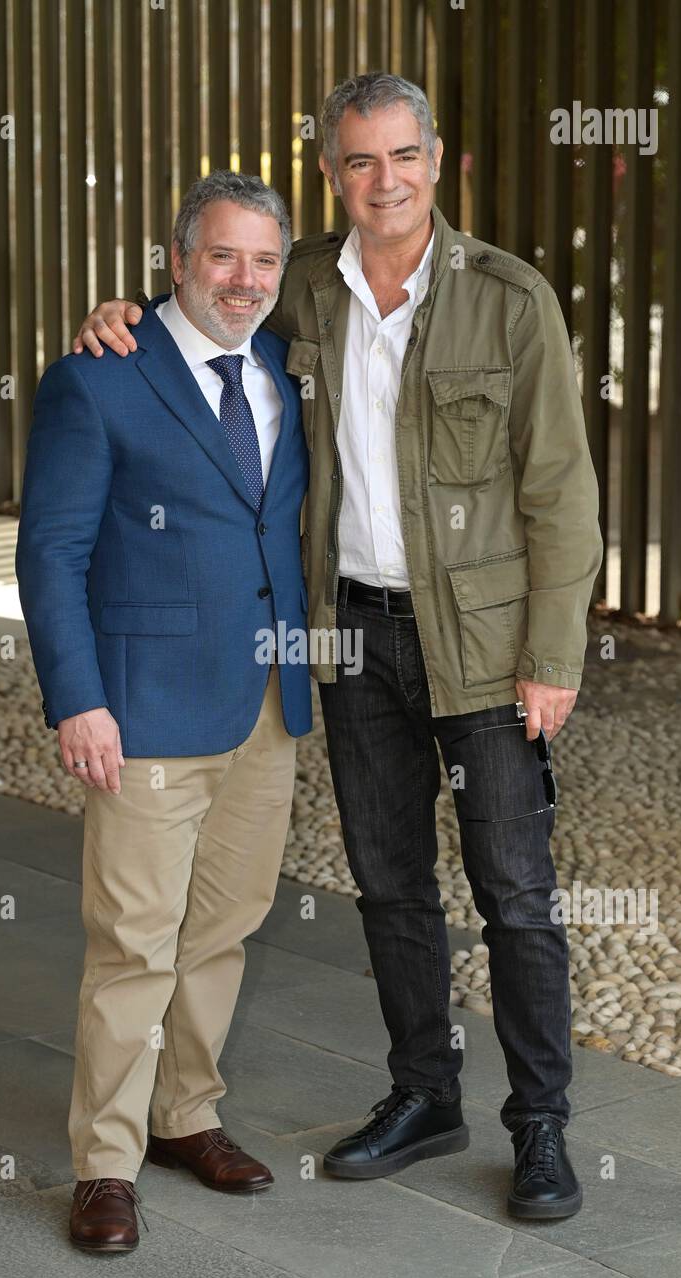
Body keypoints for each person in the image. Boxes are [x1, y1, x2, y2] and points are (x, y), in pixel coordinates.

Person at [71, 72, 603, 1220]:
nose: (383, 181)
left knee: (513, 891)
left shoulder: (509, 301)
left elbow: (561, 492)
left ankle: (539, 1125)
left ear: (436, 158)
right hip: (349, 634)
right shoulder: (302, 284)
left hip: (485, 644)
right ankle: (424, 1093)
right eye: (357, 162)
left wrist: (553, 653)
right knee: (389, 884)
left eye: (400, 156)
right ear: (332, 174)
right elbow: (207, 302)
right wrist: (113, 312)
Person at [16, 172, 312, 1252]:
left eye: (263, 261)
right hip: (140, 710)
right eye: (222, 257)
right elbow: (51, 549)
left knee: (223, 928)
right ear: (178, 259)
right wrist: (78, 699)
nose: (243, 280)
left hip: (268, 702)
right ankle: (104, 1160)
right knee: (133, 941)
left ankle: (185, 1112)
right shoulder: (99, 375)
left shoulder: (285, 367)